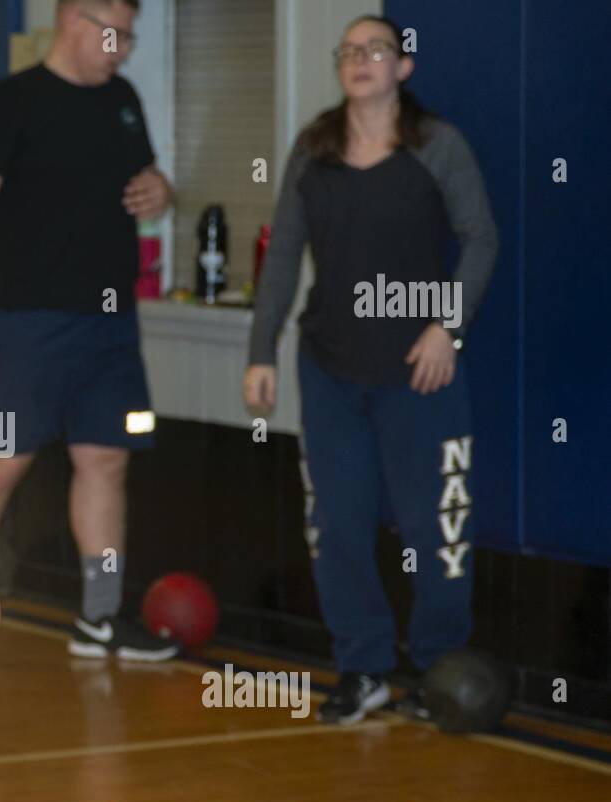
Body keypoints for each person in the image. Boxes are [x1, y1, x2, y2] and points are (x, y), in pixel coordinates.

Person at [244, 14, 497, 724]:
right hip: (329, 371)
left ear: (402, 66)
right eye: (349, 51)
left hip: (421, 377)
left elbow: (482, 239)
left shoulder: (437, 145)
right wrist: (261, 351)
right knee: (338, 527)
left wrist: (448, 326)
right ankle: (362, 668)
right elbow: (285, 255)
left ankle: (439, 669)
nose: (361, 60)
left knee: (435, 531)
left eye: (376, 50)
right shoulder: (314, 148)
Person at [0, 0, 177, 660]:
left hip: (110, 325)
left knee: (105, 457)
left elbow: (149, 183)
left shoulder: (122, 99)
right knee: (2, 464)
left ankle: (100, 617)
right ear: (75, 18)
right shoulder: (8, 103)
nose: (124, 49)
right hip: (28, 323)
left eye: (131, 37)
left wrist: (163, 191)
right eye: (117, 35)